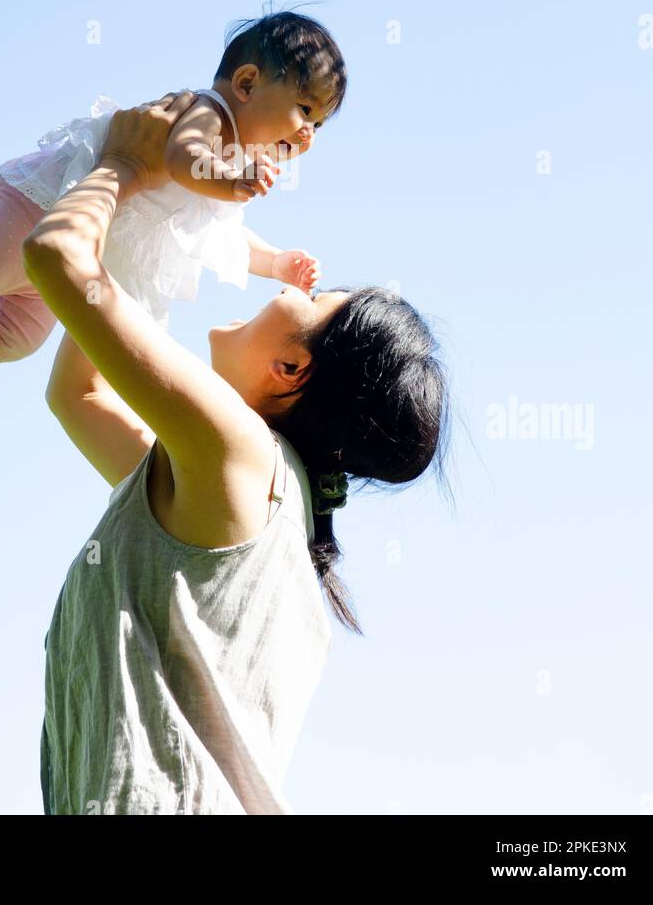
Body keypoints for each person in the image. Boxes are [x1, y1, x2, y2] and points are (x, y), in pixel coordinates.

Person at [27, 89, 451, 815]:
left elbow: (55, 258)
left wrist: (121, 167)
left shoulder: (237, 454)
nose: (298, 288)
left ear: (292, 370)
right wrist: (146, 230)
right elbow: (80, 395)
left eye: (319, 303)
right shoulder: (244, 487)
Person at [0, 9, 346, 405]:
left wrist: (275, 262)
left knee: (17, 338)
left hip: (70, 251)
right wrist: (231, 177)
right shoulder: (205, 114)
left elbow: (220, 236)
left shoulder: (228, 166)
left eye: (318, 124)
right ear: (248, 83)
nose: (307, 133)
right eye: (304, 109)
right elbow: (184, 158)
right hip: (36, 208)